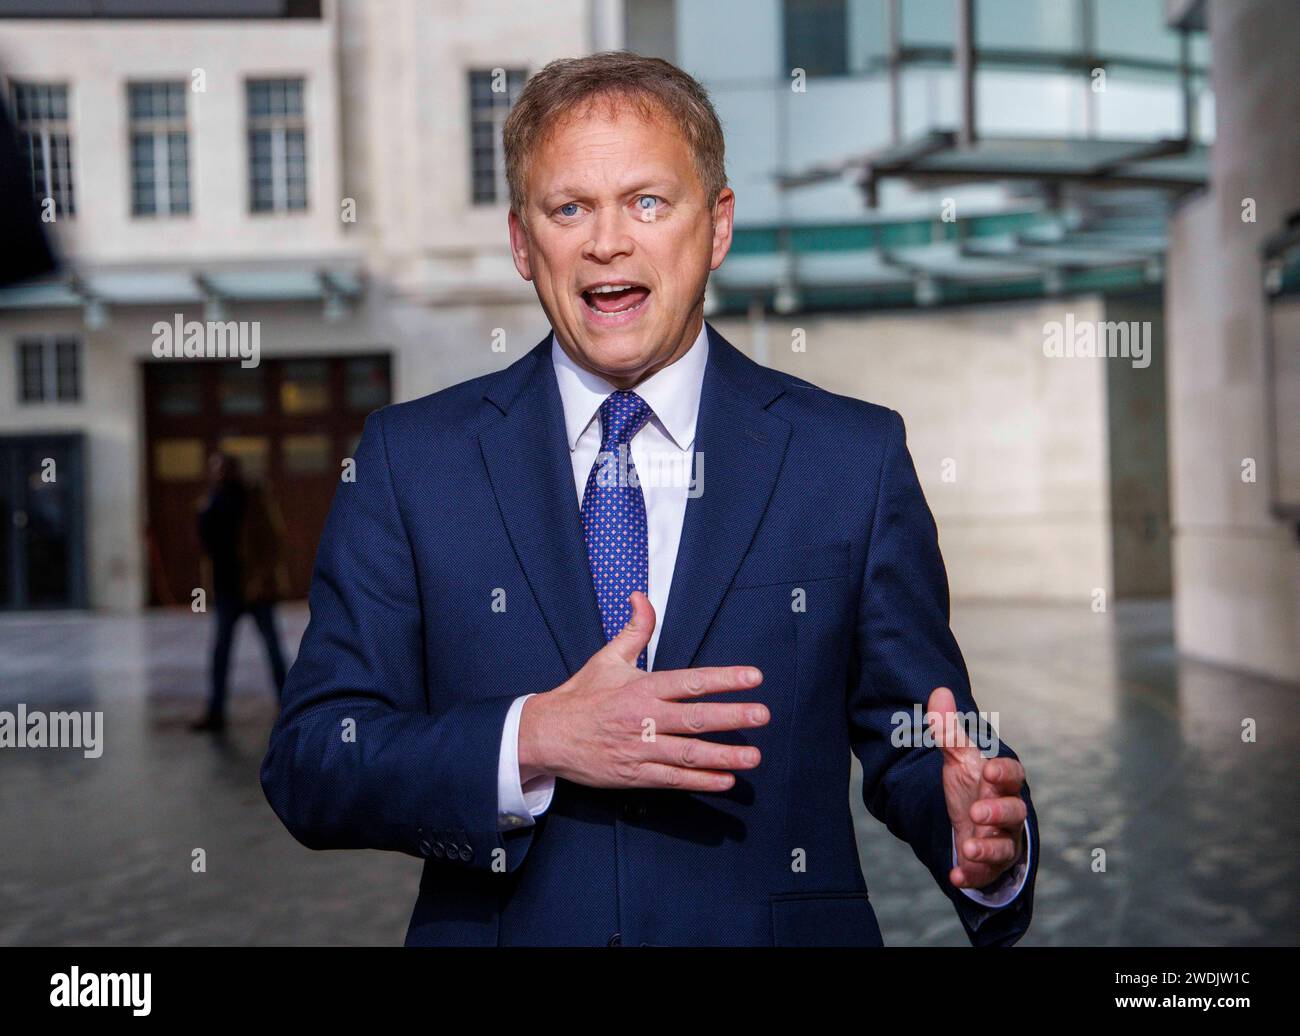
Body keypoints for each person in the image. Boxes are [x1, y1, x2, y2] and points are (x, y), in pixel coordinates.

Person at [261, 53, 1039, 946]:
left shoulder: (848, 459)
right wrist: (532, 738)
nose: (606, 243)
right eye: (569, 208)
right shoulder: (412, 462)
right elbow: (314, 761)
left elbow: (920, 737)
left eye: (646, 202)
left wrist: (978, 832)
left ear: (716, 227)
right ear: (523, 242)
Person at [192, 452, 289, 732]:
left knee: (272, 646)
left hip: (255, 587)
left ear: (234, 470)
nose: (219, 474)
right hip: (227, 589)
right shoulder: (210, 501)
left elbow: (274, 540)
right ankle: (215, 711)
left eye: (224, 469)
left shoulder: (254, 498)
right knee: (220, 650)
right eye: (214, 469)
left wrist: (263, 578)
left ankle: (289, 704)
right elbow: (207, 544)